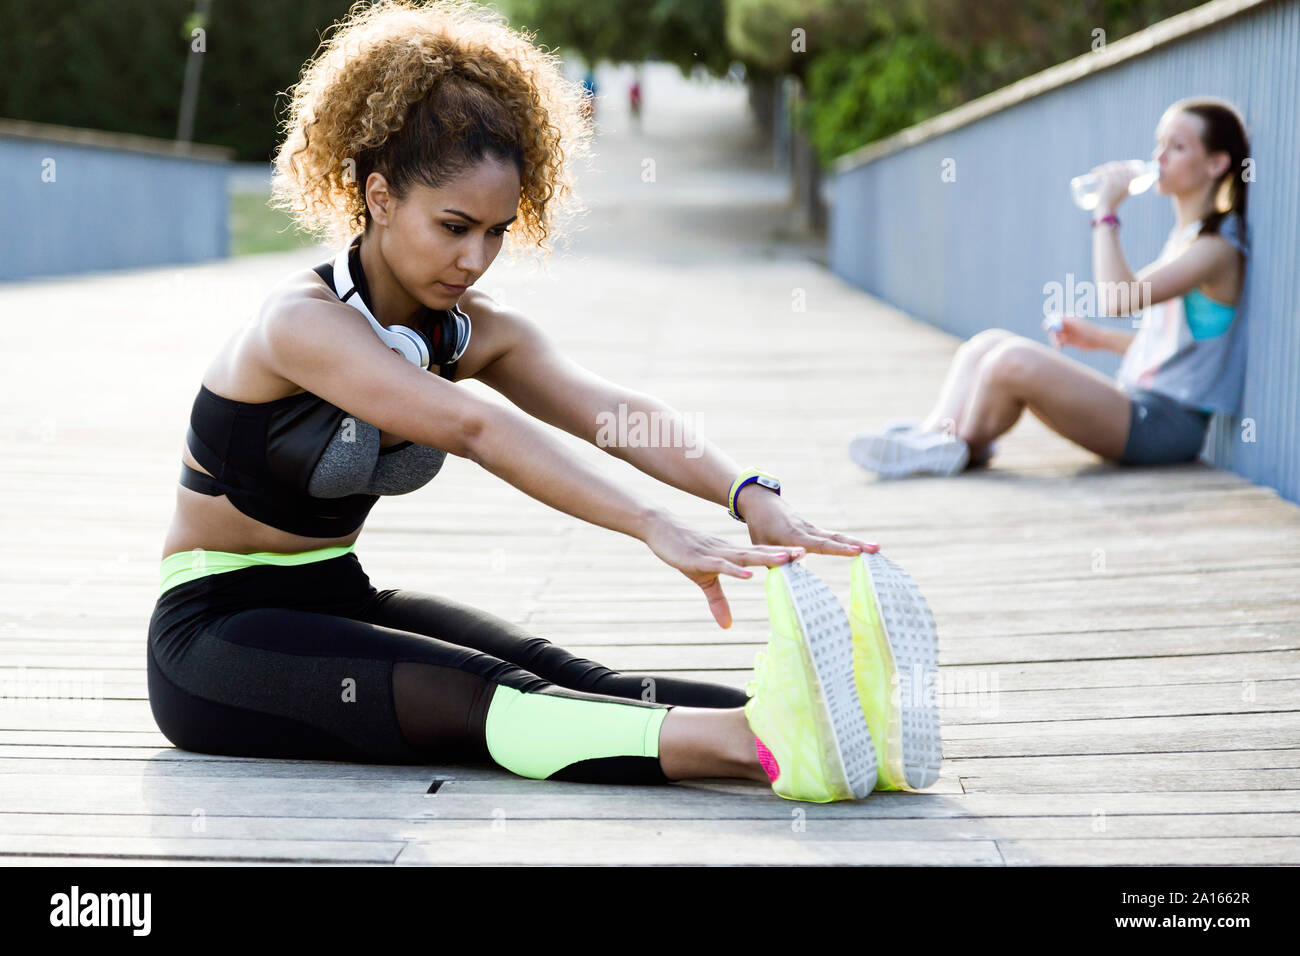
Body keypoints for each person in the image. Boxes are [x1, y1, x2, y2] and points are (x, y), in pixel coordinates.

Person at [147, 0, 924, 805]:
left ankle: (845, 722)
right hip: (213, 637)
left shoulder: (463, 330)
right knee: (494, 696)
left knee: (572, 676)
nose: (474, 258)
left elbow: (609, 410)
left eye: (495, 232)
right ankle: (763, 747)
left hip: (337, 594)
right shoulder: (300, 326)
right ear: (379, 197)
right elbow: (476, 427)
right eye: (453, 226)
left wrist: (746, 493)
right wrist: (655, 526)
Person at [848, 96, 1252, 478]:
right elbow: (1176, 351)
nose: (1158, 157)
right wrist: (1096, 338)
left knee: (1011, 361)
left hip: (1166, 426)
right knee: (986, 345)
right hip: (1141, 404)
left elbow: (1118, 298)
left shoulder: (1216, 249)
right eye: (1158, 144)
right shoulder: (1188, 237)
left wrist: (1106, 213)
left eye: (1177, 147)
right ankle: (934, 436)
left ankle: (956, 445)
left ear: (1216, 163)